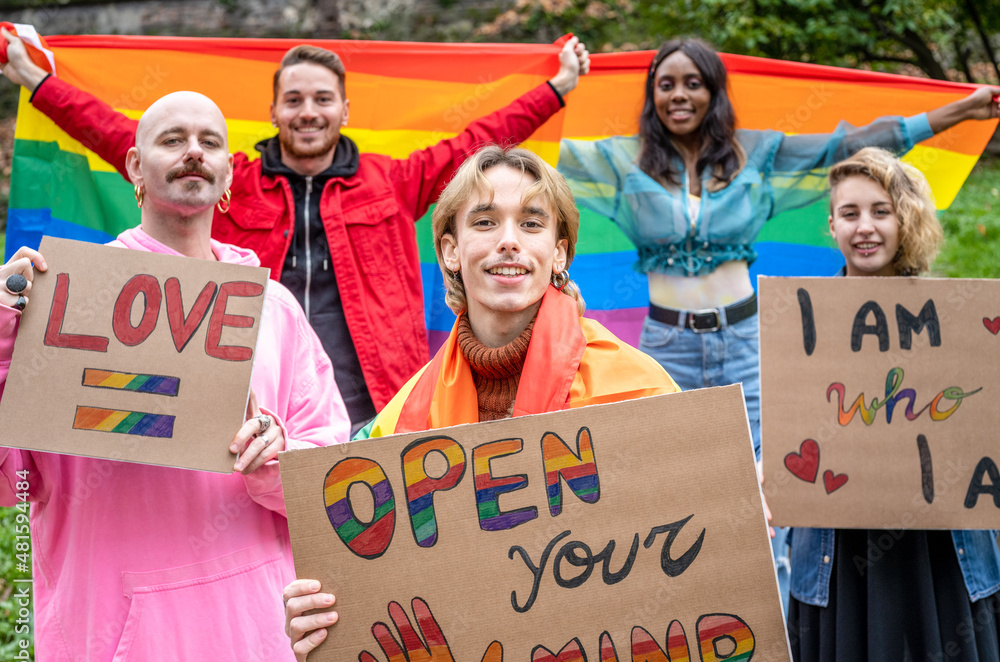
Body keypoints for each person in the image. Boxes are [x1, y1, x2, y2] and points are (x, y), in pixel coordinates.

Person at [0, 29, 590, 435]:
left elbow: (477, 143)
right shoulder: (231, 182)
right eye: (295, 100)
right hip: (256, 399)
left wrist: (557, 89)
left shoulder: (394, 182)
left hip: (377, 398)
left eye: (323, 99)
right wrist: (35, 78)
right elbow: (117, 134)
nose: (309, 111)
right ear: (276, 112)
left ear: (344, 110)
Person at [0, 90, 351, 662]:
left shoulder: (275, 310)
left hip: (261, 657)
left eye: (209, 142)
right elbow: (12, 484)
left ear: (228, 176)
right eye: (172, 140)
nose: (193, 152)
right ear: (135, 166)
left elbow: (334, 483)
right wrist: (6, 342)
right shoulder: (59, 301)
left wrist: (278, 458)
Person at [282, 144, 681, 662]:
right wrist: (326, 612)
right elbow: (373, 588)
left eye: (532, 224)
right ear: (450, 250)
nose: (509, 242)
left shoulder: (640, 388)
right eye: (486, 222)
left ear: (559, 253)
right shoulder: (401, 420)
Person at [558, 37, 1000, 458]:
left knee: (762, 472)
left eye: (694, 83)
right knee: (673, 470)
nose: (679, 95)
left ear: (714, 92)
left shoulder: (758, 152)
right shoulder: (620, 159)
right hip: (666, 343)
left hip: (747, 340)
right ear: (651, 95)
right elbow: (539, 149)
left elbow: (843, 146)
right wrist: (556, 85)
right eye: (666, 84)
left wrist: (960, 111)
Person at [788, 147, 1000, 662]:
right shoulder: (799, 321)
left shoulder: (956, 316)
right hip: (841, 553)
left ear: (904, 218)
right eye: (850, 213)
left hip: (937, 551)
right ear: (831, 223)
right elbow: (780, 426)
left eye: (881, 211)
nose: (865, 227)